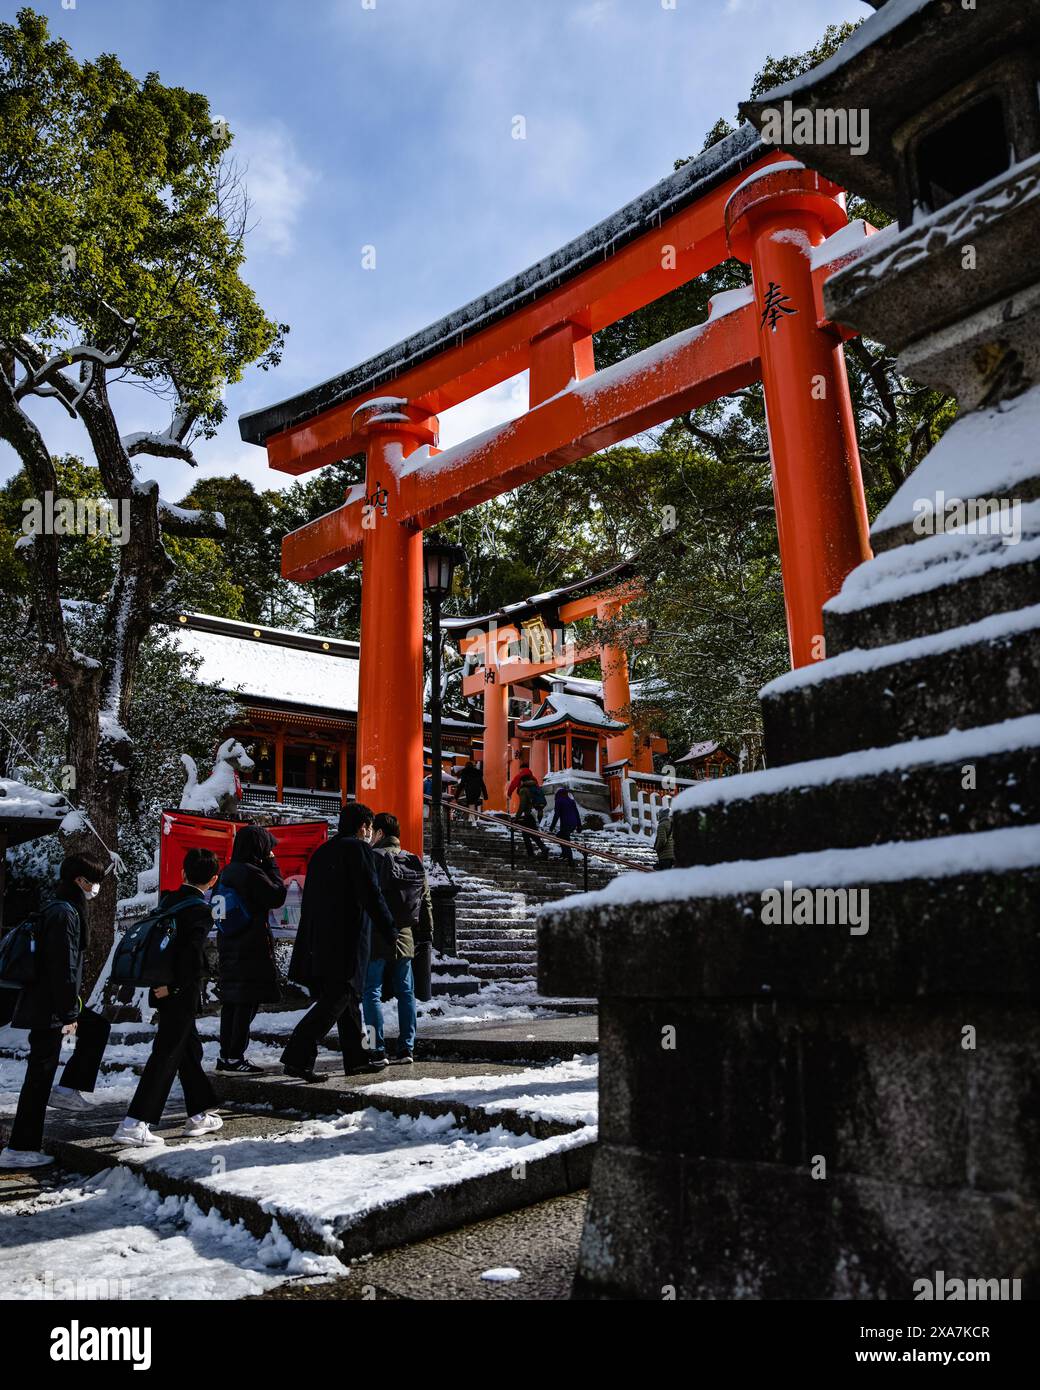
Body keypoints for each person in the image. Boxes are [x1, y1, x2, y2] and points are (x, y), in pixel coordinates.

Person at [0, 854, 113, 1169]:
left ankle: (65, 1091)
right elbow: (62, 967)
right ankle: (20, 1149)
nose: (96, 888)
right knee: (39, 1074)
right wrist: (69, 1014)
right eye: (94, 881)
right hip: (50, 1005)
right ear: (80, 880)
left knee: (94, 1030)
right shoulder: (64, 914)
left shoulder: (58, 907)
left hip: (47, 1002)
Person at [113, 848, 223, 1147]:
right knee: (166, 1054)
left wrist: (163, 986)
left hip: (162, 987)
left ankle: (199, 1113)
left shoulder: (168, 902)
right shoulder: (199, 910)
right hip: (180, 991)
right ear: (213, 880)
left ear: (183, 873)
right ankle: (135, 1122)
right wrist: (174, 987)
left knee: (187, 1050)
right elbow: (190, 957)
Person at [281, 803, 395, 1083]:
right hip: (348, 938)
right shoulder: (358, 850)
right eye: (368, 827)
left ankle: (356, 1059)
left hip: (320, 939)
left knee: (348, 1000)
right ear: (363, 827)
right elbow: (371, 893)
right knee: (338, 997)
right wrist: (389, 927)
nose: (369, 833)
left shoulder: (322, 852)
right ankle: (297, 1056)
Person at [364, 811, 433, 1067]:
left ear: (380, 833)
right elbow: (425, 901)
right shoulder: (413, 860)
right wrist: (427, 935)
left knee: (370, 992)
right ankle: (407, 1048)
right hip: (405, 936)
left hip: (374, 934)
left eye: (373, 832)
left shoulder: (371, 858)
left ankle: (373, 1049)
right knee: (406, 993)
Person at [214, 825, 286, 1073]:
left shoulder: (226, 873)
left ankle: (226, 1055)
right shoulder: (252, 873)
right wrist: (272, 865)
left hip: (228, 944)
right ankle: (235, 1055)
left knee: (232, 1002)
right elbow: (277, 895)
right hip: (250, 946)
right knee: (246, 1002)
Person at [513, 765, 548, 859]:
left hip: (528, 814)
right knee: (531, 833)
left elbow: (522, 805)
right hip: (534, 813)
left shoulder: (524, 789)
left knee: (526, 834)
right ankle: (542, 848)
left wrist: (517, 817)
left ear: (522, 781)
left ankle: (532, 853)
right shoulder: (535, 786)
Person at [549, 786, 581, 863]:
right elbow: (577, 813)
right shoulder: (571, 801)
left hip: (566, 823)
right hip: (573, 823)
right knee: (562, 837)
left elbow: (557, 815)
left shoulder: (559, 801)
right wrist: (579, 825)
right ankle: (564, 854)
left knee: (564, 840)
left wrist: (552, 826)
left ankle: (570, 859)